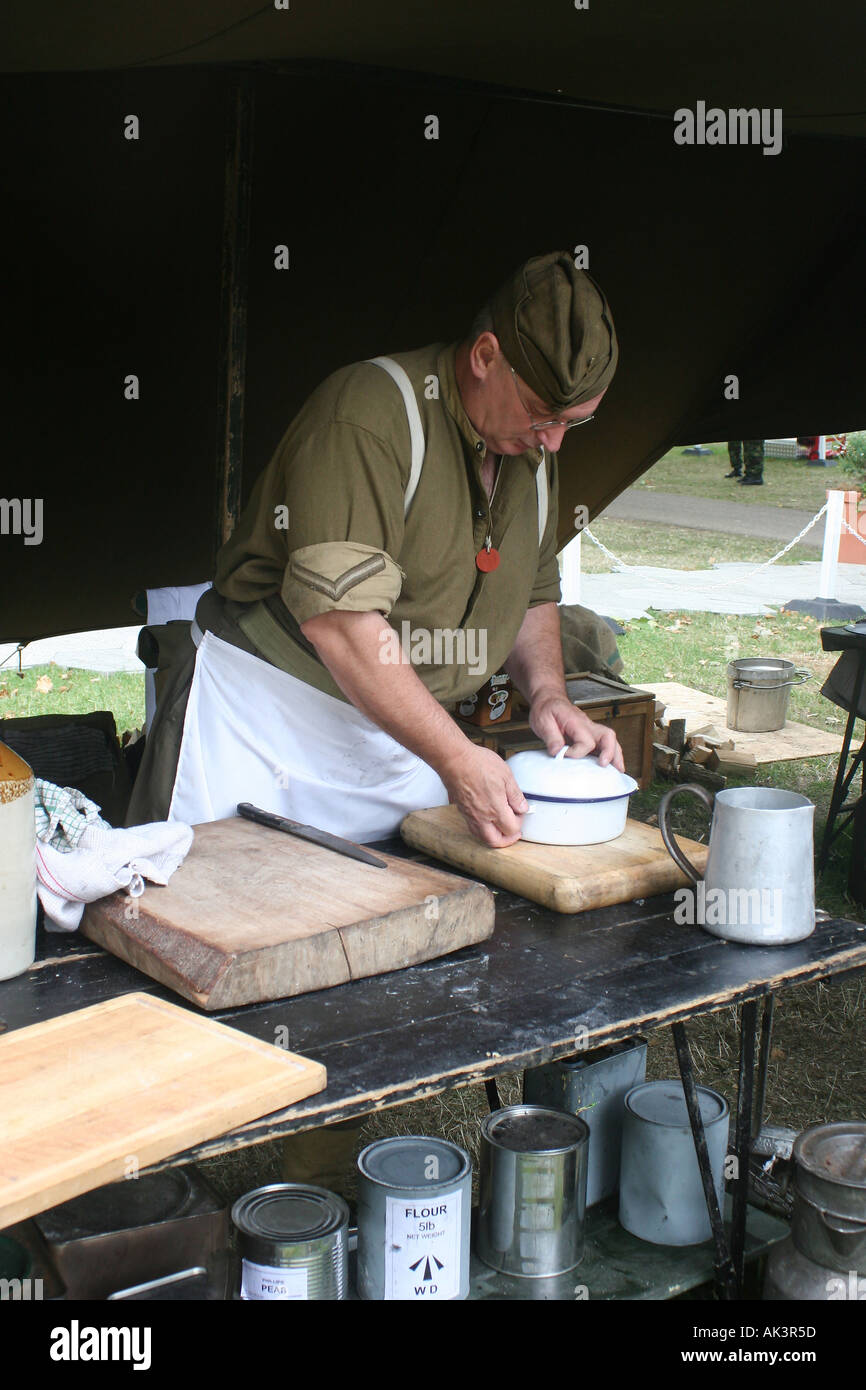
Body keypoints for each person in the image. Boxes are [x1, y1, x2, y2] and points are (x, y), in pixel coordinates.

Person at [127, 251, 623, 847]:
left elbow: (533, 594)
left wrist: (547, 694)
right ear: (486, 356)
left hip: (406, 742)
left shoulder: (531, 451)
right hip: (266, 736)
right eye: (543, 414)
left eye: (576, 422)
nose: (555, 441)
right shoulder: (368, 416)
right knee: (214, 925)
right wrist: (458, 758)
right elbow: (342, 627)